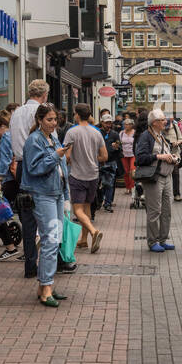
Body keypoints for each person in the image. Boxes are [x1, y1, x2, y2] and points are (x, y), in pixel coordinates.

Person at [21, 103, 69, 307]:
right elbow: (34, 168)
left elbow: (62, 167)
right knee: (50, 240)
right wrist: (56, 155)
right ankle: (46, 287)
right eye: (49, 119)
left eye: (55, 119)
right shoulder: (34, 140)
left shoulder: (52, 137)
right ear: (39, 120)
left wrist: (65, 194)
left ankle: (45, 285)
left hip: (55, 193)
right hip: (43, 194)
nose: (53, 123)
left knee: (55, 239)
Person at [9, 79, 50, 280]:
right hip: (38, 165)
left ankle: (30, 264)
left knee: (27, 219)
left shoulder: (16, 112)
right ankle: (50, 262)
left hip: (20, 166)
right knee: (45, 213)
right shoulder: (42, 112)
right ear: (44, 95)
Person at [62, 103, 106, 253]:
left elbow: (66, 156)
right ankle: (83, 240)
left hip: (77, 175)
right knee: (87, 206)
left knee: (77, 209)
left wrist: (74, 159)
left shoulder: (72, 132)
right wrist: (91, 159)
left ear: (77, 115)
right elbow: (104, 156)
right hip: (93, 175)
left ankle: (94, 232)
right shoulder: (97, 132)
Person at [135, 107, 178, 252]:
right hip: (154, 178)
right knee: (154, 211)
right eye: (162, 120)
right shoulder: (145, 137)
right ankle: (153, 241)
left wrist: (172, 157)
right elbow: (140, 158)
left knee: (167, 210)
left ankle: (162, 239)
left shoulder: (161, 136)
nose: (165, 121)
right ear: (154, 122)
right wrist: (158, 157)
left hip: (166, 176)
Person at [98, 111, 122, 213]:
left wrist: (116, 148)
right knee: (98, 184)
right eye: (106, 123)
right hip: (99, 162)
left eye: (110, 123)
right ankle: (98, 202)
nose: (108, 125)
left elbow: (119, 147)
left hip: (111, 162)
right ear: (102, 122)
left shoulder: (115, 134)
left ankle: (108, 203)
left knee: (109, 184)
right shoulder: (98, 133)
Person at [165, 113, 182, 201]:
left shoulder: (175, 126)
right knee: (164, 175)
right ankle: (164, 195)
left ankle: (177, 194)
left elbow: (181, 138)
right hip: (164, 155)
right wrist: (169, 143)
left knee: (176, 174)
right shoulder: (161, 128)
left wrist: (178, 142)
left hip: (175, 154)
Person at [120, 117, 136, 196]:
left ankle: (132, 187)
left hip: (133, 154)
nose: (126, 126)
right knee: (126, 172)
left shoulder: (134, 133)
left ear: (132, 125)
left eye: (128, 124)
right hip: (124, 154)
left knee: (132, 171)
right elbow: (119, 142)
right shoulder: (121, 133)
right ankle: (127, 187)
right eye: (125, 124)